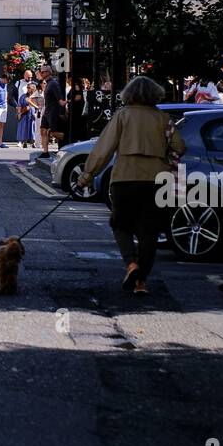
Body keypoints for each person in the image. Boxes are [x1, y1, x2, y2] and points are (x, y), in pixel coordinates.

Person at [78, 75, 186, 297]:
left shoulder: (123, 116)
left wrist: (88, 174)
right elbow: (179, 146)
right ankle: (141, 282)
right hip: (156, 180)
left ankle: (131, 264)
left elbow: (104, 148)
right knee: (149, 231)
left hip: (125, 178)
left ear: (129, 94)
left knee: (121, 225)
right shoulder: (163, 118)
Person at [38, 65, 67, 159]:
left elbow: (60, 99)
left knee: (54, 133)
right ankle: (45, 152)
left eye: (42, 72)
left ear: (48, 72)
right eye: (41, 72)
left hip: (53, 112)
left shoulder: (54, 83)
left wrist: (67, 103)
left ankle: (69, 140)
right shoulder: (47, 84)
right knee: (43, 130)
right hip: (47, 111)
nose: (41, 73)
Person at [17, 81, 39, 148]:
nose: (27, 88)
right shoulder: (23, 96)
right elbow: (19, 105)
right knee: (24, 128)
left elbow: (39, 106)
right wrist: (19, 113)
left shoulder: (36, 96)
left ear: (33, 88)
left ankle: (33, 142)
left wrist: (36, 113)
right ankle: (24, 142)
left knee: (32, 128)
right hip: (24, 115)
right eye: (27, 87)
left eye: (29, 87)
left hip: (32, 115)